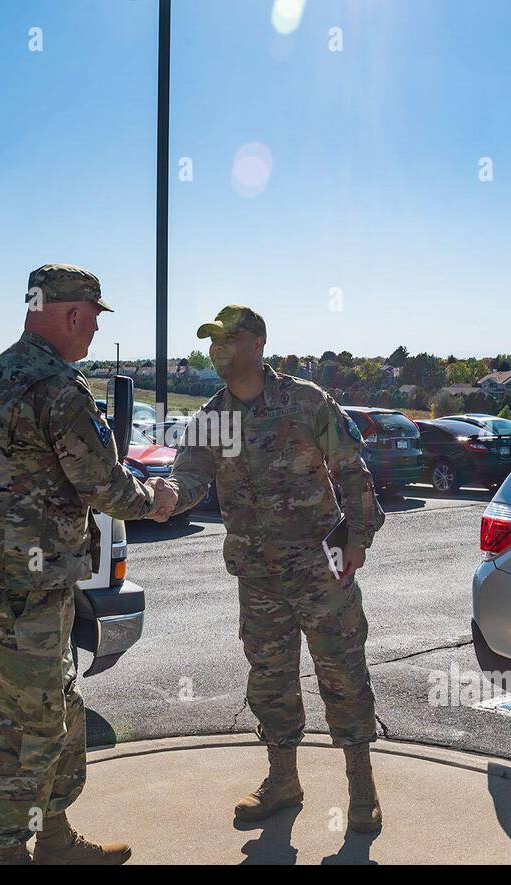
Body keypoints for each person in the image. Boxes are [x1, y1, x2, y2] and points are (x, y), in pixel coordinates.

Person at [0, 263, 177, 864]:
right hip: (28, 586)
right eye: (94, 321)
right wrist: (155, 500)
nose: (94, 334)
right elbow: (100, 483)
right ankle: (8, 853)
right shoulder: (59, 387)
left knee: (55, 708)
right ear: (74, 314)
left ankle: (53, 837)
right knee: (29, 726)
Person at [156, 305, 386, 833]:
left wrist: (357, 538)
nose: (217, 350)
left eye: (228, 340)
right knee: (270, 681)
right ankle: (283, 782)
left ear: (257, 343)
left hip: (321, 567)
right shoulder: (210, 418)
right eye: (212, 341)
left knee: (343, 675)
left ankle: (361, 790)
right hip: (258, 576)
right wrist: (165, 497)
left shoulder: (305, 402)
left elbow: (351, 469)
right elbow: (190, 479)